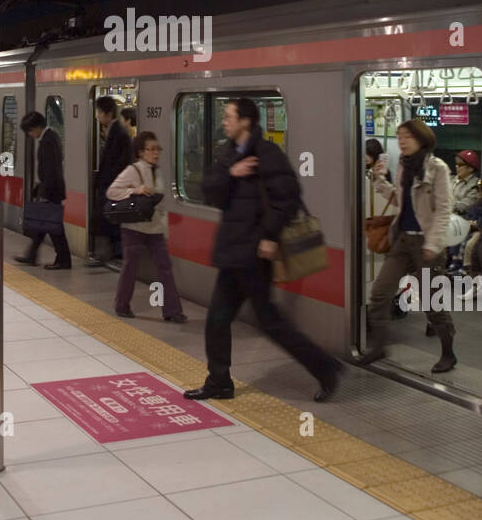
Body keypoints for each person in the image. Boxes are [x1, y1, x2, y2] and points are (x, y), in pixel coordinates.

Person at [184, 97, 341, 404]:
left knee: (268, 321)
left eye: (229, 117)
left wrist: (269, 236)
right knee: (218, 319)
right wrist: (232, 174)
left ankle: (326, 368)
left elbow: (288, 197)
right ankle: (219, 381)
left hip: (254, 254)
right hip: (233, 251)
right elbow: (210, 191)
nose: (225, 122)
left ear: (246, 121)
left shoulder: (268, 154)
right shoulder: (227, 154)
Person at [359, 117, 456, 373]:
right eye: (399, 136)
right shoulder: (403, 165)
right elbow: (399, 199)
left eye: (407, 137)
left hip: (427, 243)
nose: (401, 142)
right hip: (402, 240)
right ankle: (378, 346)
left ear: (422, 139)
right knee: (380, 293)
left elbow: (444, 210)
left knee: (432, 303)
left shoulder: (438, 169)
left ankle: (448, 353)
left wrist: (433, 244)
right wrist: (379, 180)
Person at [106, 131, 187, 322]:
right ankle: (122, 305)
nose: (155, 153)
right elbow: (111, 191)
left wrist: (165, 228)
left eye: (157, 149)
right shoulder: (133, 170)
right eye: (150, 149)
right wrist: (135, 190)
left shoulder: (158, 171)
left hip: (155, 228)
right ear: (141, 152)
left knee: (165, 267)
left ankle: (172, 311)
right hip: (134, 228)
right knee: (130, 267)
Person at [16, 111, 71, 269]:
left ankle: (64, 260)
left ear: (36, 127)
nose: (31, 135)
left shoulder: (48, 140)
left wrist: (44, 192)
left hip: (52, 190)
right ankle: (31, 255)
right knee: (44, 225)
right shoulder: (50, 137)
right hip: (50, 188)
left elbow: (51, 169)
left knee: (54, 227)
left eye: (30, 131)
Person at [88, 96, 133, 267]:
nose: (97, 116)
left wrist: (107, 185)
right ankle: (110, 253)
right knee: (108, 220)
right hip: (111, 185)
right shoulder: (115, 131)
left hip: (113, 186)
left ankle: (109, 254)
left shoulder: (119, 133)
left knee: (108, 219)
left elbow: (117, 163)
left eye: (99, 112)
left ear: (108, 113)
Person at [464, 173, 482, 278]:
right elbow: (472, 212)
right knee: (473, 248)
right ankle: (473, 274)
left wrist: (477, 222)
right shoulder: (481, 201)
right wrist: (470, 220)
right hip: (480, 230)